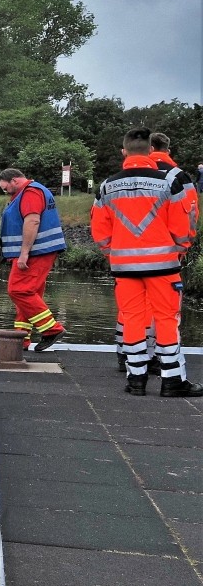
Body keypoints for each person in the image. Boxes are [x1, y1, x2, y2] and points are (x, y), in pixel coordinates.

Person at [91, 128, 203, 396]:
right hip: (163, 266)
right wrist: (177, 249)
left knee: (132, 319)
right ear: (150, 153)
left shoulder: (107, 186)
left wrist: (114, 252)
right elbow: (183, 227)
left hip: (125, 268)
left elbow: (100, 232)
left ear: (124, 152)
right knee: (166, 319)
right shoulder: (169, 182)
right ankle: (172, 380)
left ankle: (136, 380)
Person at [0, 168, 68, 351]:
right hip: (40, 251)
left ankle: (52, 329)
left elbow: (32, 221)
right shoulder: (32, 191)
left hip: (36, 251)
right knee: (28, 294)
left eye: (6, 189)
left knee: (18, 290)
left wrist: (24, 253)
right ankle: (22, 338)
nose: (6, 193)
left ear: (15, 181)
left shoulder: (30, 192)